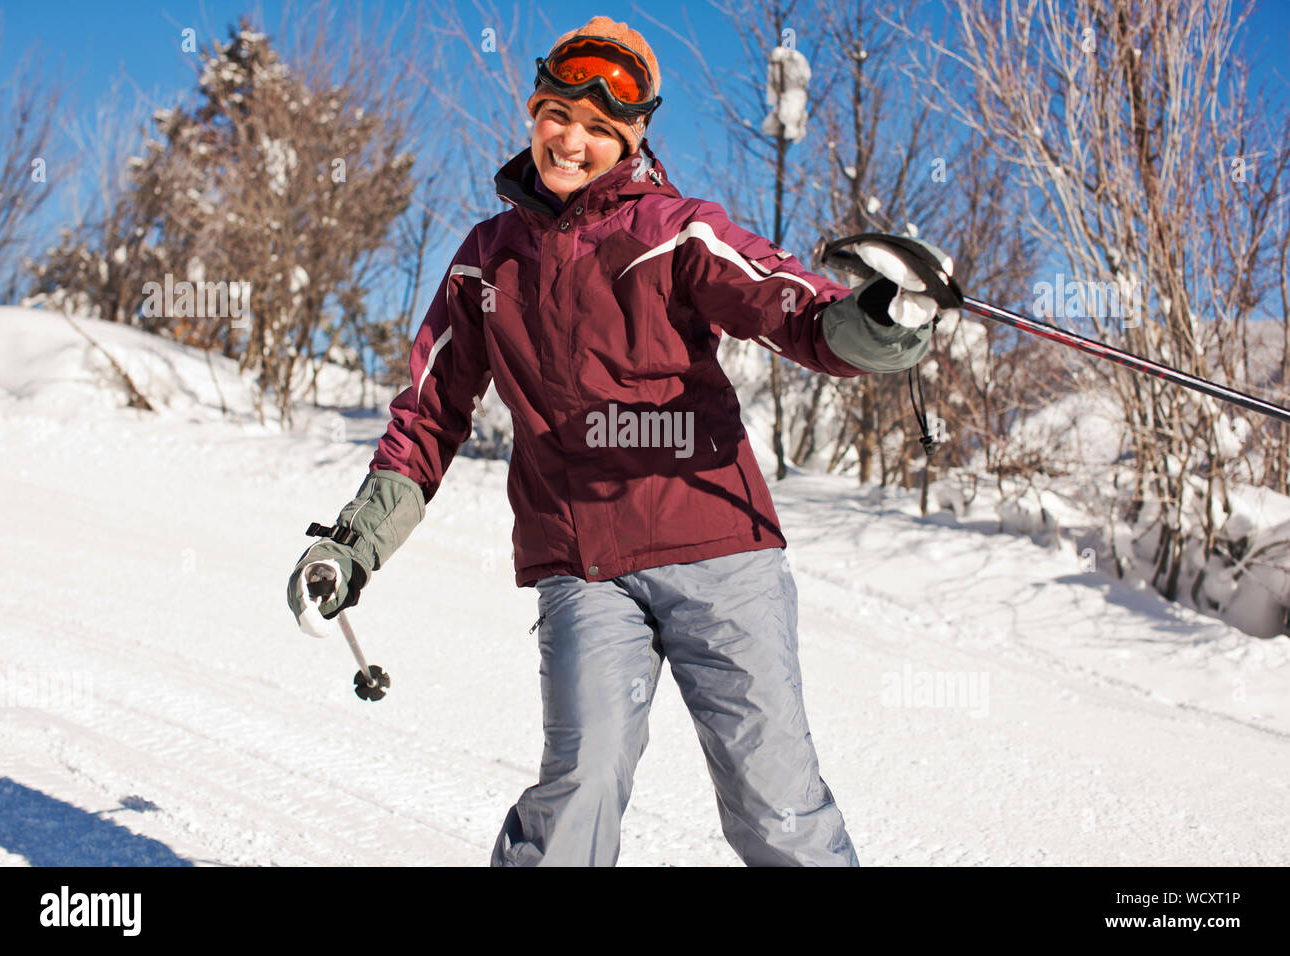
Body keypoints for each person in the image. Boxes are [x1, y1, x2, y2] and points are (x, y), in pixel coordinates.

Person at [287, 16, 957, 867]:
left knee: (773, 802)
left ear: (635, 137)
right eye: (558, 114)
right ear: (533, 113)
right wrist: (353, 547)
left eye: (603, 127)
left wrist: (879, 323)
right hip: (582, 568)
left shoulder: (676, 232)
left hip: (717, 551)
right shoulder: (484, 264)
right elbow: (428, 415)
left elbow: (789, 304)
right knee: (580, 790)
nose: (573, 139)